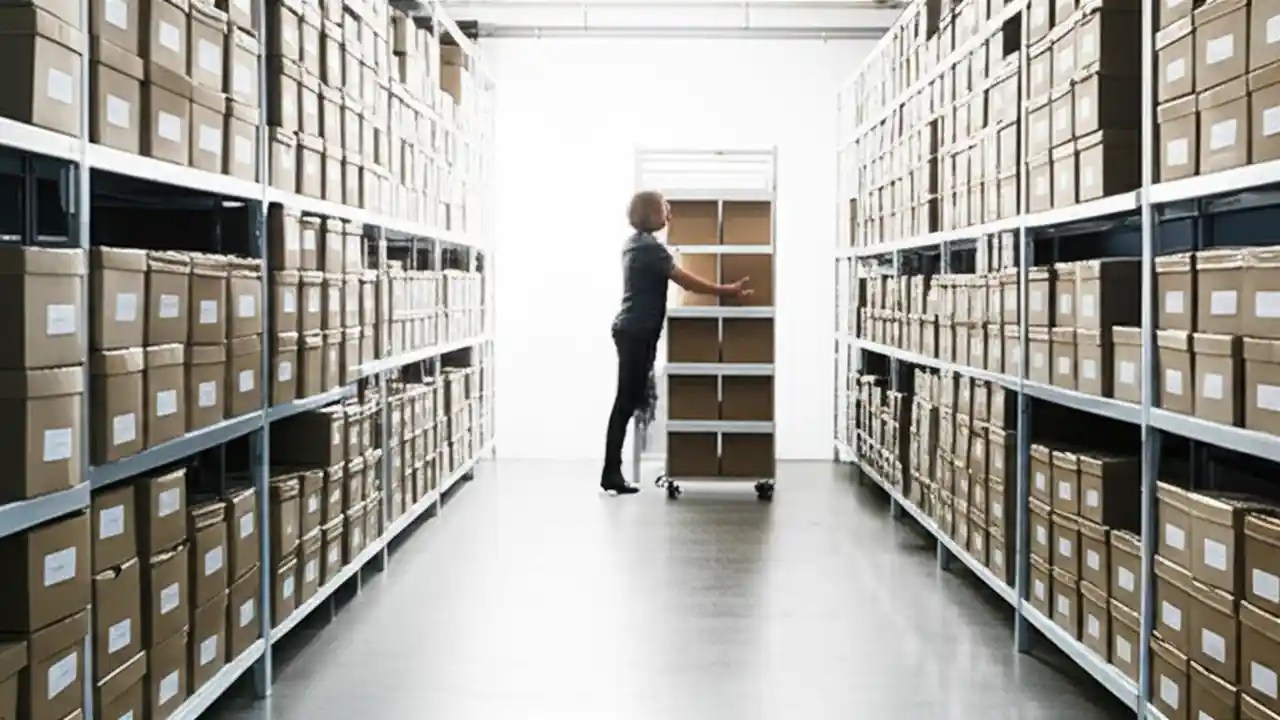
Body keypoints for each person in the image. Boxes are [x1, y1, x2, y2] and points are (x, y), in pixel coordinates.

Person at [601, 190, 752, 494]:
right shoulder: (649, 249)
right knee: (626, 402)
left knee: (627, 401)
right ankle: (610, 473)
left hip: (631, 330)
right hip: (636, 331)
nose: (669, 213)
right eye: (664, 208)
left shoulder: (635, 244)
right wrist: (727, 291)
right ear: (649, 214)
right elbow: (685, 280)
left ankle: (612, 471)